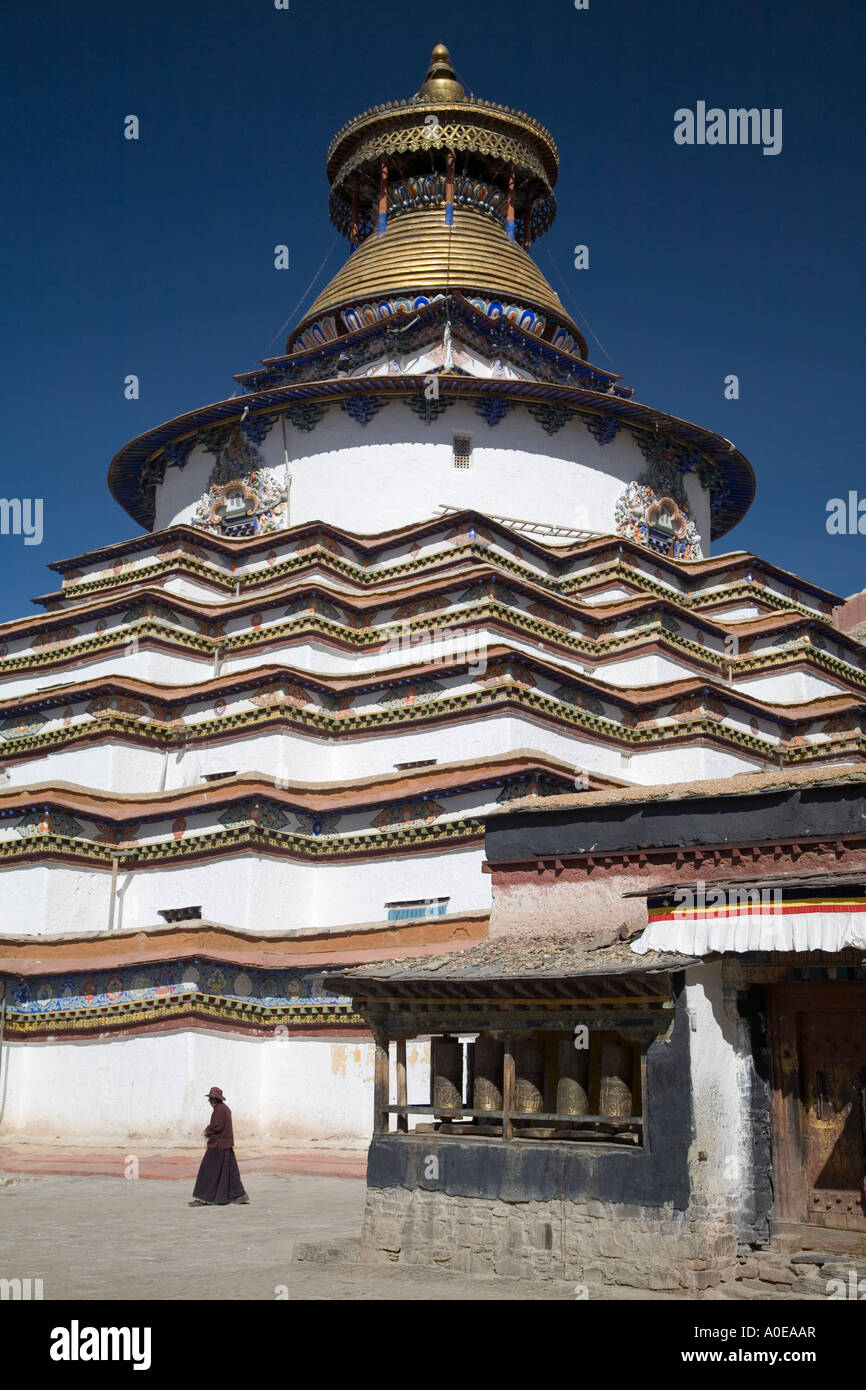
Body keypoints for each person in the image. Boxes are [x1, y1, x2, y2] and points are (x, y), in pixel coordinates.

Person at [188, 1086, 250, 1206]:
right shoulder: (225, 1109)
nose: (209, 1101)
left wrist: (207, 1130)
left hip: (218, 1145)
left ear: (215, 1099)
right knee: (229, 1171)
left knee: (207, 1171)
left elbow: (217, 1127)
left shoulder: (219, 1110)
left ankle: (204, 1198)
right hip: (225, 1145)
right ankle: (238, 1195)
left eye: (210, 1099)